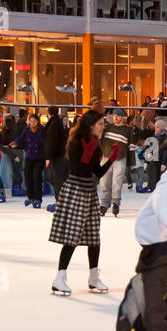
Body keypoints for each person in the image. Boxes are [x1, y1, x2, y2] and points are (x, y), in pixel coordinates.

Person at [49, 111, 121, 295]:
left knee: (93, 237)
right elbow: (78, 170)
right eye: (100, 124)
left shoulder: (95, 145)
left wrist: (112, 158)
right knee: (72, 237)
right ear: (90, 125)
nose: (103, 127)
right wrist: (87, 153)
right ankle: (59, 278)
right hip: (76, 191)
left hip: (89, 192)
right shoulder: (75, 142)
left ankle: (93, 277)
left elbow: (96, 173)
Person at [98, 107, 133, 217]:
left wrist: (132, 162)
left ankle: (116, 204)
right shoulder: (107, 127)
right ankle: (104, 204)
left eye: (118, 116)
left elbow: (130, 147)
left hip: (120, 159)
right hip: (106, 157)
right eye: (114, 116)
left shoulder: (128, 131)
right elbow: (101, 141)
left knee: (116, 183)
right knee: (104, 182)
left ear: (122, 118)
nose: (115, 118)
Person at [11, 111, 46, 207]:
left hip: (40, 157)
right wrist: (15, 143)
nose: (32, 123)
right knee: (27, 176)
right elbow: (21, 138)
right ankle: (30, 197)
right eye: (31, 121)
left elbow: (46, 142)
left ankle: (38, 199)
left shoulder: (42, 130)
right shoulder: (26, 129)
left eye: (34, 121)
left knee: (36, 176)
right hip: (29, 156)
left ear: (38, 122)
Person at [43, 105, 69, 212]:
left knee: (57, 179)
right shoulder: (56, 122)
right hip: (59, 154)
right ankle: (61, 201)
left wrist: (48, 156)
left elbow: (51, 141)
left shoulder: (54, 124)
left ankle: (60, 202)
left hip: (57, 155)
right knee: (57, 178)